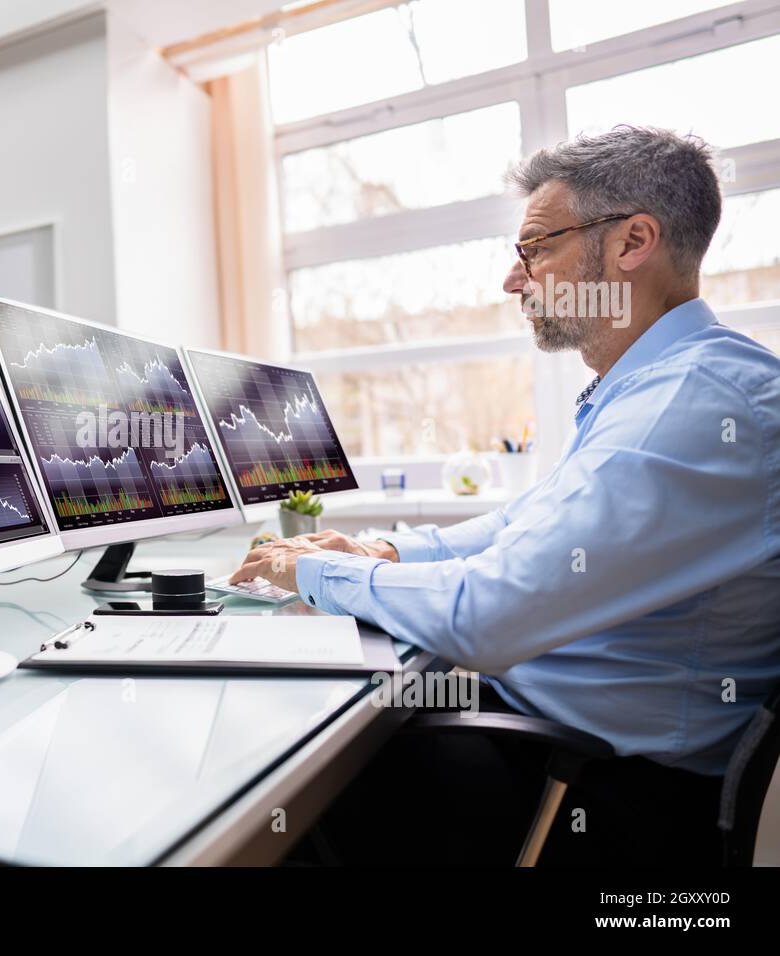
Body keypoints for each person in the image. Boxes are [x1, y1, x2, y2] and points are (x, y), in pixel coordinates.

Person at [231, 126, 780, 865]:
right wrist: (385, 550)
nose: (514, 280)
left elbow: (487, 617)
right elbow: (528, 522)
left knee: (267, 791)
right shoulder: (668, 384)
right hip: (567, 747)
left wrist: (316, 573)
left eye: (535, 248)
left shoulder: (692, 404)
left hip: (595, 794)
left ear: (631, 242)